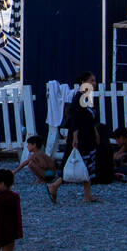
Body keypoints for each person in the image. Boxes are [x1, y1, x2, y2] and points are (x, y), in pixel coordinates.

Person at [47, 72, 102, 203]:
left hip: (88, 134)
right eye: (91, 80)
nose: (94, 83)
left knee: (87, 164)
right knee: (76, 162)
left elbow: (91, 118)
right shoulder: (79, 96)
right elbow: (75, 118)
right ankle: (54, 185)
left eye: (94, 81)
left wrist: (96, 132)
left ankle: (87, 194)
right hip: (80, 135)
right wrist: (75, 136)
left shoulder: (88, 97)